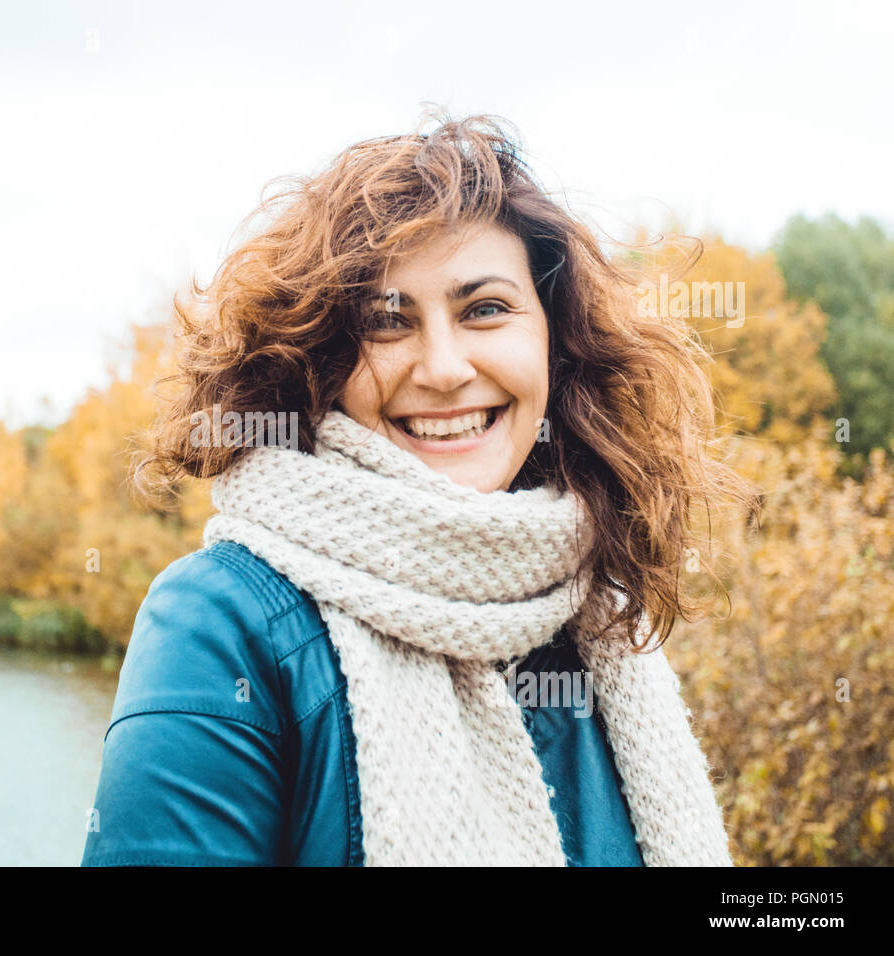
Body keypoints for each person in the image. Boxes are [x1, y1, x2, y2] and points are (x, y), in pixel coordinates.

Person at [80, 109, 758, 866]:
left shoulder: (600, 609)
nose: (442, 369)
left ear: (555, 341)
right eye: (386, 323)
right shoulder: (220, 624)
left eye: (486, 310)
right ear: (320, 361)